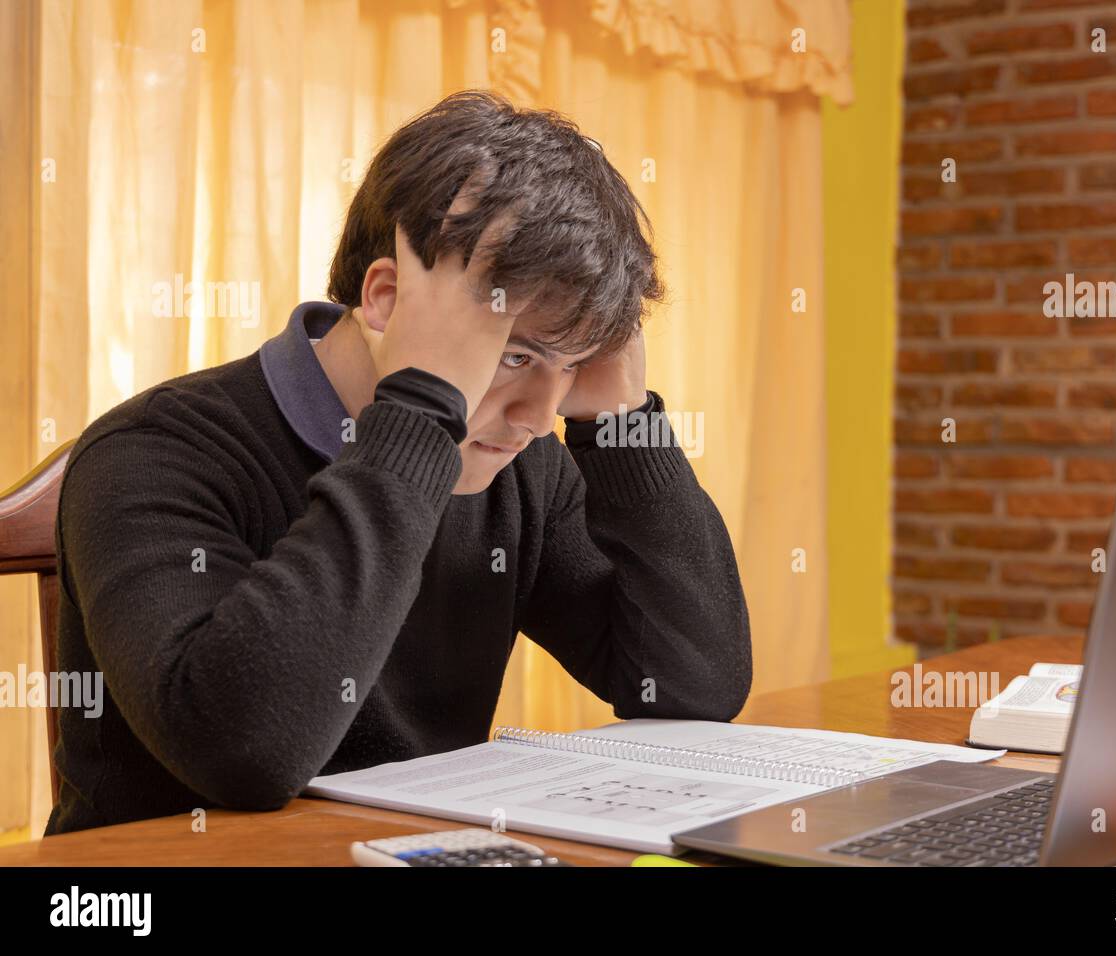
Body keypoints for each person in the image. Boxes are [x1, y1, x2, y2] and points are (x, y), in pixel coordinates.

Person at [46, 89, 751, 835]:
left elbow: (690, 685)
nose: (540, 419)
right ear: (385, 299)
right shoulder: (153, 452)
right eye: (515, 354)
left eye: (573, 366)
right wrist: (422, 406)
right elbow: (246, 752)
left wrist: (620, 424)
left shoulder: (517, 463)